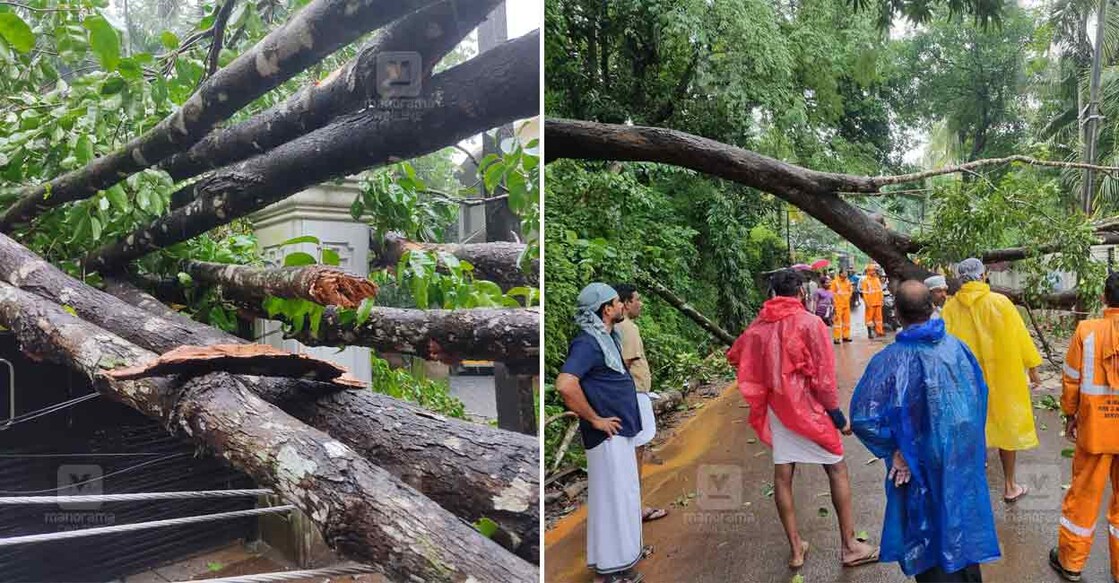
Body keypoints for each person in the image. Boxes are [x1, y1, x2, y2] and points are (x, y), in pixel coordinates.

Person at [726, 269, 879, 570]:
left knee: (783, 475)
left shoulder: (758, 326)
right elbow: (823, 379)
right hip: (809, 410)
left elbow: (737, 355)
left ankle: (796, 550)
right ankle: (849, 546)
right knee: (837, 468)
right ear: (802, 293)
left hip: (778, 409)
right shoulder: (811, 324)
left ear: (773, 294)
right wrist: (837, 416)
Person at [850, 281, 1000, 582]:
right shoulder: (957, 348)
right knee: (959, 522)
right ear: (932, 307)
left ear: (898, 314)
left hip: (919, 463)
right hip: (957, 455)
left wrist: (898, 450)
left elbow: (863, 418)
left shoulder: (889, 360)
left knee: (926, 527)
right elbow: (978, 397)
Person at [555, 283, 644, 583]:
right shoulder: (588, 343)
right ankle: (610, 573)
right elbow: (566, 383)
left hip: (620, 432)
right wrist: (595, 419)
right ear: (606, 309)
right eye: (618, 302)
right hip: (607, 436)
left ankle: (615, 566)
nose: (622, 306)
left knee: (620, 498)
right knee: (613, 501)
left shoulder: (608, 338)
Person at [941, 257, 1042, 503]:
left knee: (971, 428)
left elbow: (942, 347)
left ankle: (973, 490)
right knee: (1006, 427)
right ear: (983, 275)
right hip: (1003, 378)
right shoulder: (1001, 303)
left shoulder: (950, 308)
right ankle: (1009, 486)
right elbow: (1021, 339)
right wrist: (1033, 371)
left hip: (965, 380)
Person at [1050, 272, 1119, 582]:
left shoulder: (1087, 331)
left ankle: (1071, 563)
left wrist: (1070, 414)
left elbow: (1071, 380)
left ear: (1104, 297)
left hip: (1095, 432)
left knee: (1083, 498)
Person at [612, 283, 668, 524]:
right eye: (637, 299)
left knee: (633, 449)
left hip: (630, 395)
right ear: (625, 303)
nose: (640, 303)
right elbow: (624, 364)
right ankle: (635, 508)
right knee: (636, 449)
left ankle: (629, 505)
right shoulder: (627, 328)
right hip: (633, 394)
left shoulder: (616, 328)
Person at [859, 263, 885, 338]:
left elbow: (880, 291)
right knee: (869, 319)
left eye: (874, 270)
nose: (874, 272)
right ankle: (870, 333)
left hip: (878, 302)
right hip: (870, 303)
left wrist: (882, 300)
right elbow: (865, 293)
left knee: (879, 319)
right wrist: (866, 303)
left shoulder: (877, 279)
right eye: (872, 270)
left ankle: (879, 332)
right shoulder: (865, 281)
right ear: (868, 271)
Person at [829, 270, 854, 344]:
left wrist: (848, 297)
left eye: (846, 273)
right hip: (838, 305)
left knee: (846, 322)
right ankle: (836, 338)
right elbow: (831, 293)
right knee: (837, 322)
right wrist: (833, 303)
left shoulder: (848, 281)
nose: (846, 274)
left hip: (846, 304)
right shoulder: (834, 282)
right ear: (840, 274)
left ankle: (845, 336)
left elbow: (850, 290)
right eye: (844, 273)